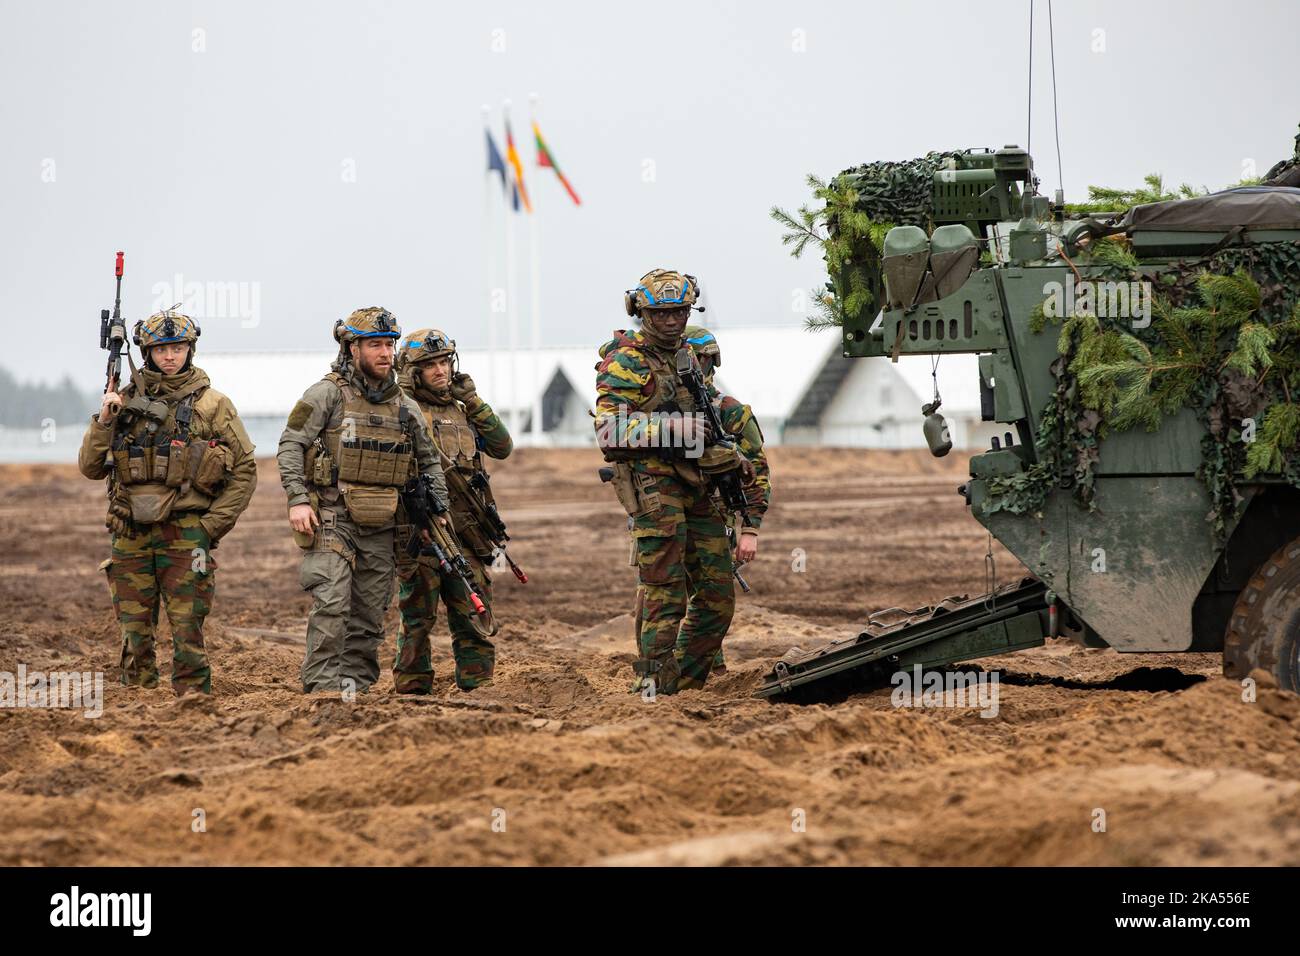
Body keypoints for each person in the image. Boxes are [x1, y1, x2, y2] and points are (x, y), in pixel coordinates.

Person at [79, 309, 256, 695]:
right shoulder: (123, 402)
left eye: (177, 348)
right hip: (130, 534)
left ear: (190, 350)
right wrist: (105, 421)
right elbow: (90, 468)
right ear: (147, 353)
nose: (170, 357)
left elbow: (244, 471)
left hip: (186, 533)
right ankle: (137, 702)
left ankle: (194, 703)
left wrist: (210, 528)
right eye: (161, 350)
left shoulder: (213, 405)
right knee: (134, 632)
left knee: (188, 628)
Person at [594, 269, 752, 694]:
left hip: (697, 486)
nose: (671, 321)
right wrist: (677, 431)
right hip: (653, 488)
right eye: (661, 313)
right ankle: (651, 687)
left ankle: (681, 684)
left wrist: (727, 456)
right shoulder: (627, 360)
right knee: (664, 595)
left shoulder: (685, 357)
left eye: (680, 312)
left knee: (718, 596)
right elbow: (609, 431)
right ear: (641, 312)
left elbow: (705, 419)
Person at [277, 307, 448, 694]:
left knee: (370, 614)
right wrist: (298, 499)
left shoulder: (405, 405)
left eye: (389, 344)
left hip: (382, 519)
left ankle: (354, 692)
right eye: (375, 345)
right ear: (352, 348)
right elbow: (291, 444)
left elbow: (429, 461)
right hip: (332, 515)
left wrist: (438, 508)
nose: (385, 353)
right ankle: (322, 690)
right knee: (332, 602)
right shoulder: (327, 394)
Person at [391, 328, 513, 693]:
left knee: (474, 615)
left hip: (468, 532)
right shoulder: (399, 411)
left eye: (445, 362)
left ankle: (478, 687)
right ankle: (412, 690)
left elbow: (502, 446)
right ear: (413, 371)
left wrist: (474, 401)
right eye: (430, 365)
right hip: (422, 531)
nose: (440, 371)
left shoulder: (463, 411)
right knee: (417, 618)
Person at [680, 325, 771, 674]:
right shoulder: (662, 411)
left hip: (711, 518)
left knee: (711, 599)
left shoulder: (730, 411)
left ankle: (708, 670)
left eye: (692, 357)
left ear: (707, 361)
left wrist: (751, 529)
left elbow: (757, 470)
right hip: (665, 516)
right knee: (664, 596)